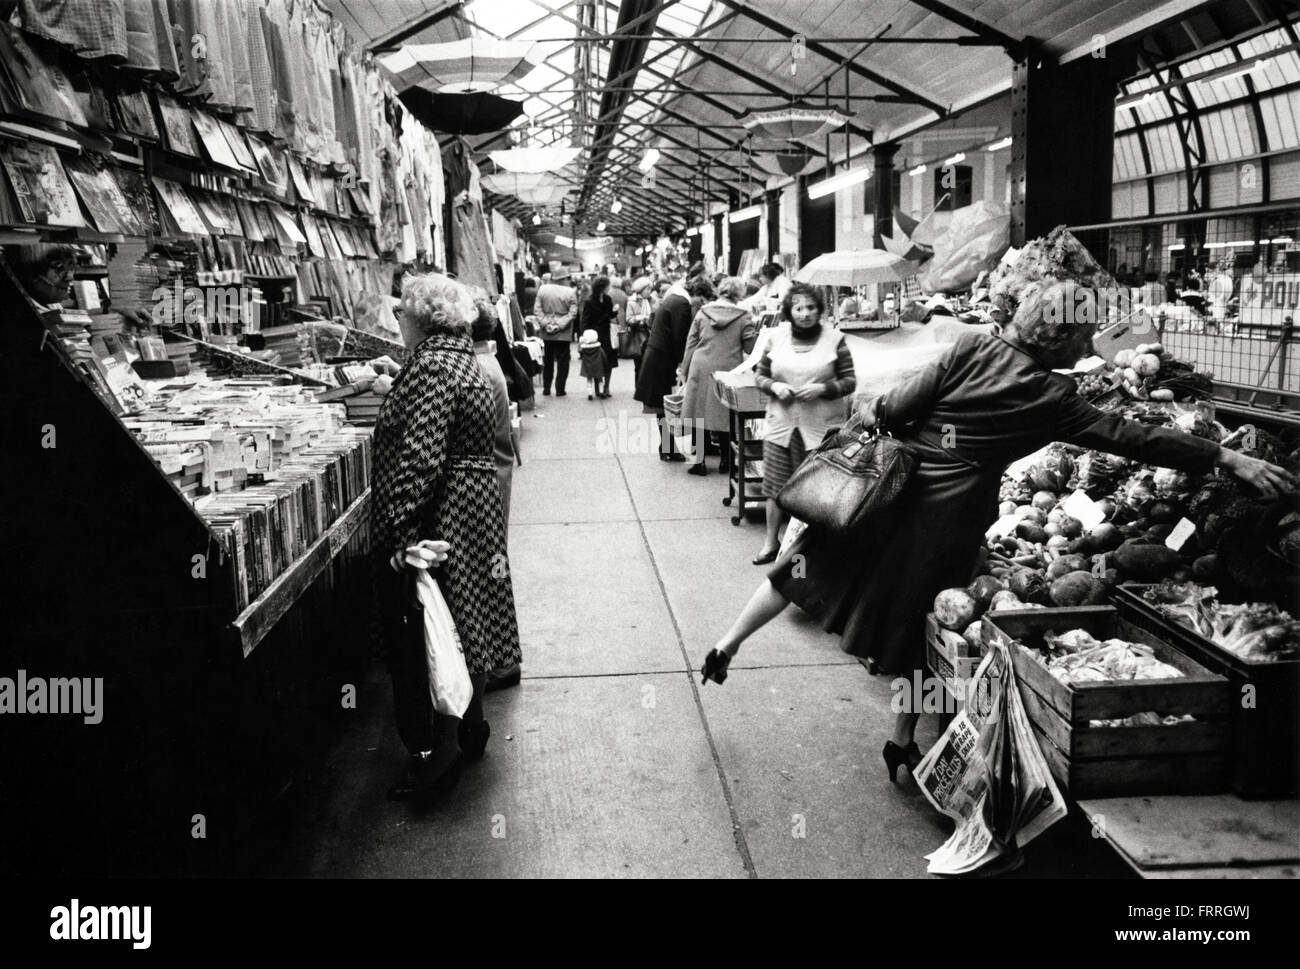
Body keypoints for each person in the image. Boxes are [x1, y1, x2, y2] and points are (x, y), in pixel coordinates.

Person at [699, 279, 1296, 785]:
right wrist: (1224, 457)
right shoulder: (1053, 395)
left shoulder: (967, 347)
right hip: (945, 514)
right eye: (1085, 331)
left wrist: (883, 417)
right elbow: (1130, 436)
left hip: (884, 488)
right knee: (914, 623)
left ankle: (727, 644)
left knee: (803, 565)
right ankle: (901, 740)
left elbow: (894, 406)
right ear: (1059, 336)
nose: (1093, 341)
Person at [371, 273, 522, 799]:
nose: (398, 321)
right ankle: (472, 726)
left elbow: (422, 457)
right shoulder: (462, 359)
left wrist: (398, 531)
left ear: (421, 316)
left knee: (443, 627)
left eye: (401, 313)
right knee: (470, 616)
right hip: (472, 502)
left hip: (446, 510)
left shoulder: (433, 365)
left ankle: (444, 753)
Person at [750, 283, 857, 564]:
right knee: (775, 485)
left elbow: (849, 381)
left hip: (821, 428)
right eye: (799, 308)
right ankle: (770, 542)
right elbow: (759, 376)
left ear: (819, 310)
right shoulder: (775, 338)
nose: (805, 313)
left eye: (811, 307)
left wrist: (823, 389)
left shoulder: (835, 340)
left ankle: (809, 551)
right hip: (781, 427)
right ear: (790, 311)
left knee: (817, 491)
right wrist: (774, 386)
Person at [679, 277, 759, 477]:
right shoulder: (743, 317)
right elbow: (751, 347)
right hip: (727, 368)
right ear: (739, 294)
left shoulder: (703, 312)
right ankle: (727, 460)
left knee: (699, 413)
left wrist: (684, 370)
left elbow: (691, 343)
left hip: (701, 366)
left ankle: (699, 463)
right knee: (725, 413)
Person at [635, 272, 695, 461]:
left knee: (663, 406)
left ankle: (667, 446)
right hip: (663, 361)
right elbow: (680, 337)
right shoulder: (682, 304)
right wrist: (682, 364)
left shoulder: (673, 299)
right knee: (666, 405)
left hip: (658, 358)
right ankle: (669, 447)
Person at [535, 271, 577, 396]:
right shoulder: (570, 292)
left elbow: (537, 310)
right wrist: (559, 325)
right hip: (563, 333)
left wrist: (546, 324)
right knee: (563, 360)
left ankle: (546, 388)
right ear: (563, 279)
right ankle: (560, 389)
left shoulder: (542, 290)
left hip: (547, 331)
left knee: (548, 360)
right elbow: (572, 313)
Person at [582, 275, 617, 398]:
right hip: (594, 337)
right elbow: (585, 320)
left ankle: (606, 388)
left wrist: (615, 311)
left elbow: (611, 315)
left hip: (606, 335)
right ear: (602, 287)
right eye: (608, 286)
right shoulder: (589, 301)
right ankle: (598, 389)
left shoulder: (608, 299)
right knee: (597, 363)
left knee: (608, 363)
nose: (609, 288)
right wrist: (584, 337)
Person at [623, 277, 654, 387]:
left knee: (649, 365)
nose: (649, 292)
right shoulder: (631, 302)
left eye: (650, 289)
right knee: (639, 365)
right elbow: (628, 319)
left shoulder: (651, 300)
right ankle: (639, 388)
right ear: (641, 289)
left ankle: (647, 387)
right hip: (637, 336)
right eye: (647, 289)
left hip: (650, 335)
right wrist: (640, 318)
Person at [578, 327, 607, 400]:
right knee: (600, 379)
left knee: (589, 379)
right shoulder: (599, 348)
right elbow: (604, 356)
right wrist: (605, 364)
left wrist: (580, 342)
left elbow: (579, 350)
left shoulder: (584, 349)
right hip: (598, 366)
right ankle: (601, 392)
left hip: (588, 366)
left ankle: (590, 394)